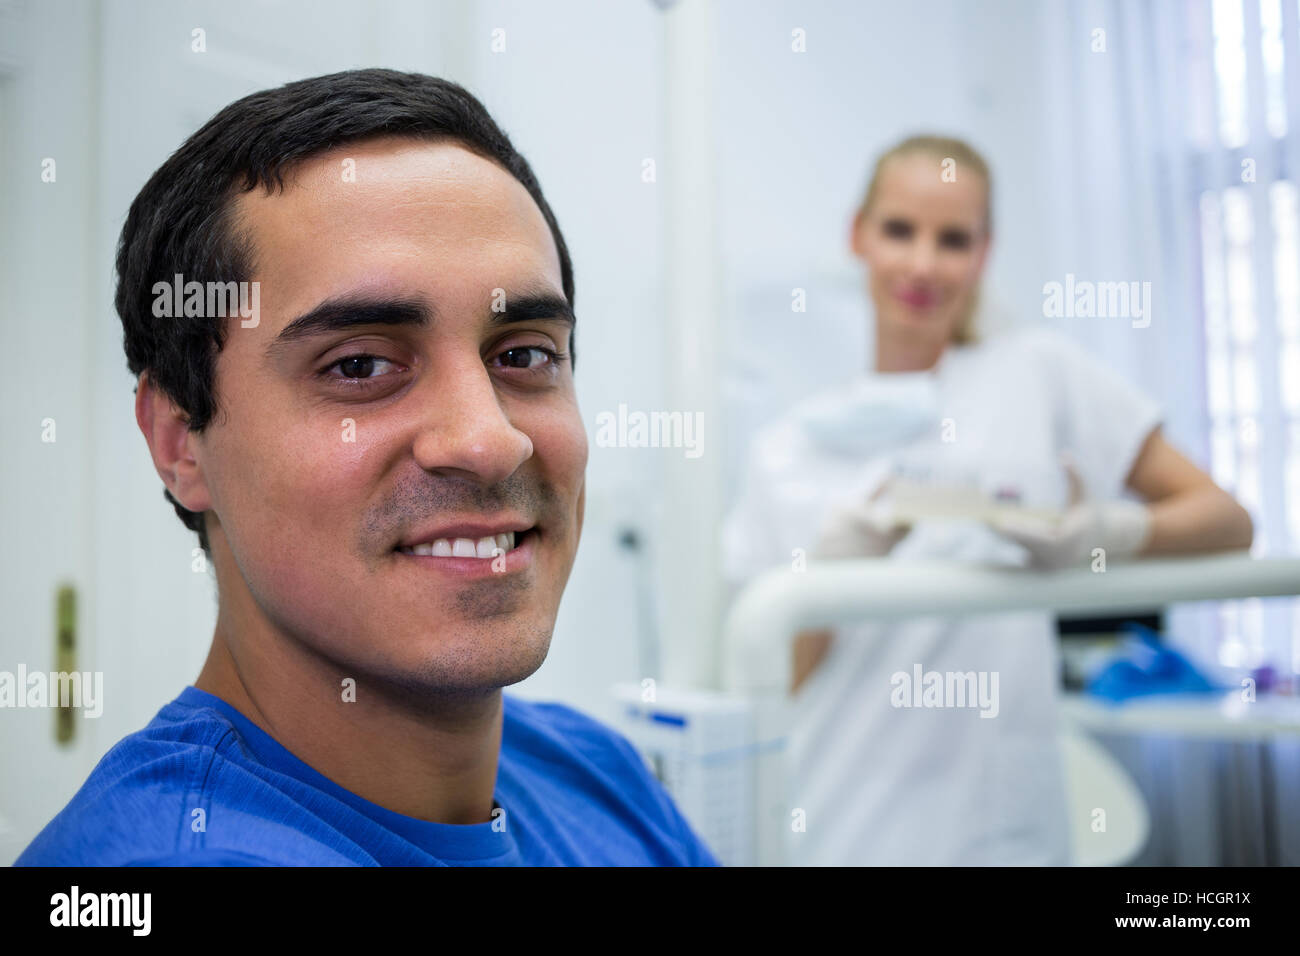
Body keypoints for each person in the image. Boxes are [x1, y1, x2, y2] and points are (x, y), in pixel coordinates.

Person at [18, 69, 717, 867]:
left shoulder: (593, 776)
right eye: (358, 367)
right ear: (181, 441)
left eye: (523, 354)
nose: (488, 441)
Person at [721, 135, 1253, 866]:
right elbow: (767, 683)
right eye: (900, 230)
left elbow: (1227, 522)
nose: (922, 264)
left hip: (1004, 828)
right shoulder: (786, 448)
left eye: (953, 239)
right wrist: (828, 578)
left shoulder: (1037, 375)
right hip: (843, 821)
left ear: (984, 253)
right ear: (858, 236)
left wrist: (1101, 533)